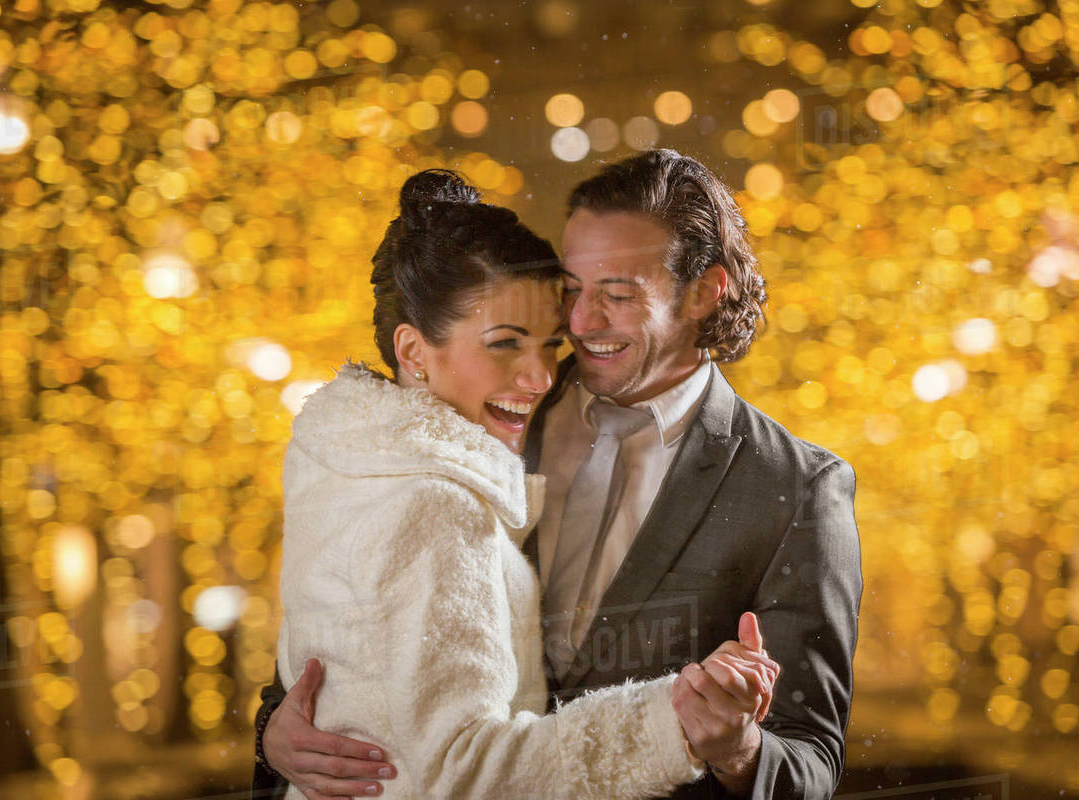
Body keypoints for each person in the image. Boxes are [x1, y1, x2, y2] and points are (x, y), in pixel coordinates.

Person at [255, 150, 862, 799]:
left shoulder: (796, 488)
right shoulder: (490, 408)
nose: (579, 324)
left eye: (618, 295)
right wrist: (277, 733)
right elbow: (353, 622)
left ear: (703, 292)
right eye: (571, 291)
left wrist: (740, 748)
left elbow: (811, 761)